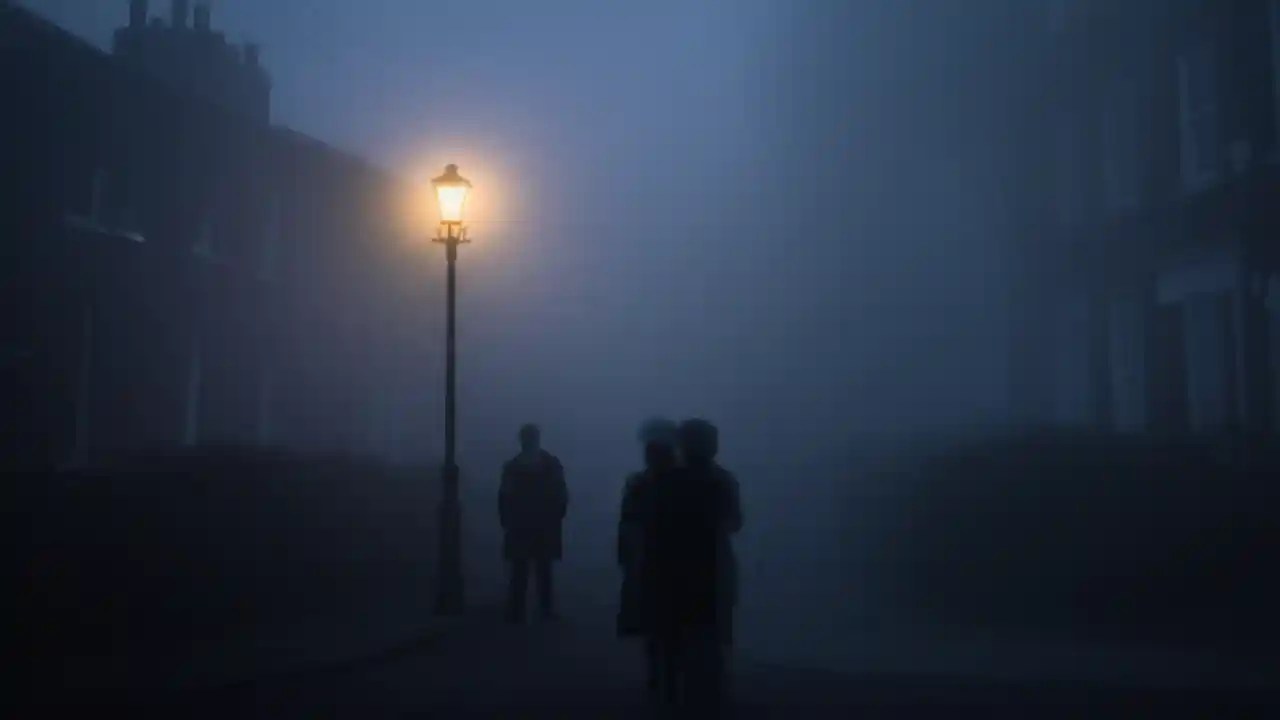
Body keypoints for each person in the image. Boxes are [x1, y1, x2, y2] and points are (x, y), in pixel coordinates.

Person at [644, 418, 742, 712]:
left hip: (671, 569)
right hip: (712, 567)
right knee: (709, 637)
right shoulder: (723, 480)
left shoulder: (665, 480)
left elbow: (652, 524)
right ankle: (709, 698)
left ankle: (670, 695)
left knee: (670, 637)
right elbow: (735, 522)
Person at [617, 417, 679, 699]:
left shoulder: (673, 483)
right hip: (651, 561)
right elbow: (628, 522)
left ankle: (664, 674)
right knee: (657, 623)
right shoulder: (640, 483)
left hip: (669, 562)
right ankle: (660, 674)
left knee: (667, 623)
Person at [498, 423, 568, 623]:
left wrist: (506, 519)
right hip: (541, 523)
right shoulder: (550, 463)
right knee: (540, 569)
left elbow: (504, 496)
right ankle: (541, 610)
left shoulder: (513, 466)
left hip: (523, 523)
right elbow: (561, 494)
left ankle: (518, 610)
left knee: (523, 569)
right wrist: (557, 516)